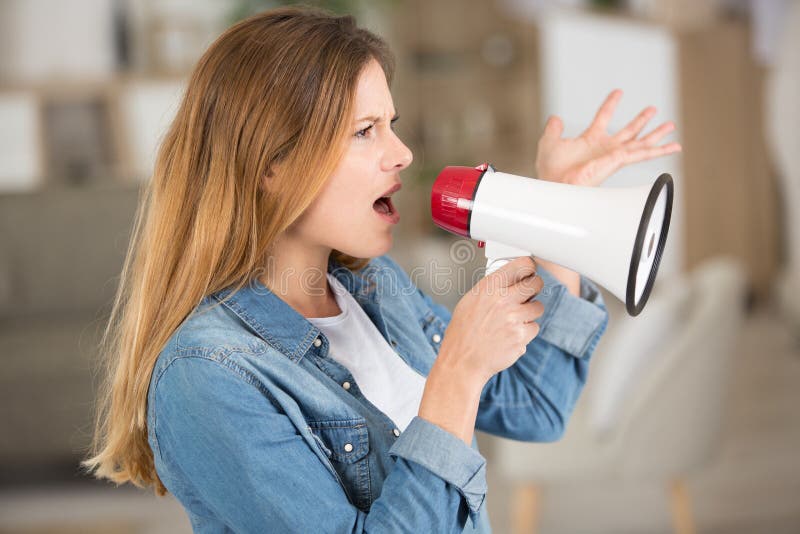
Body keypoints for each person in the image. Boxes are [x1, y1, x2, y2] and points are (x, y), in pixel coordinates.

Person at [83, 6, 681, 533]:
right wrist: (456, 376)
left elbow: (538, 408)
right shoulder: (207, 376)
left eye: (390, 125)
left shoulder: (377, 286)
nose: (403, 154)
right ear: (271, 164)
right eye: (365, 132)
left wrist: (561, 217)